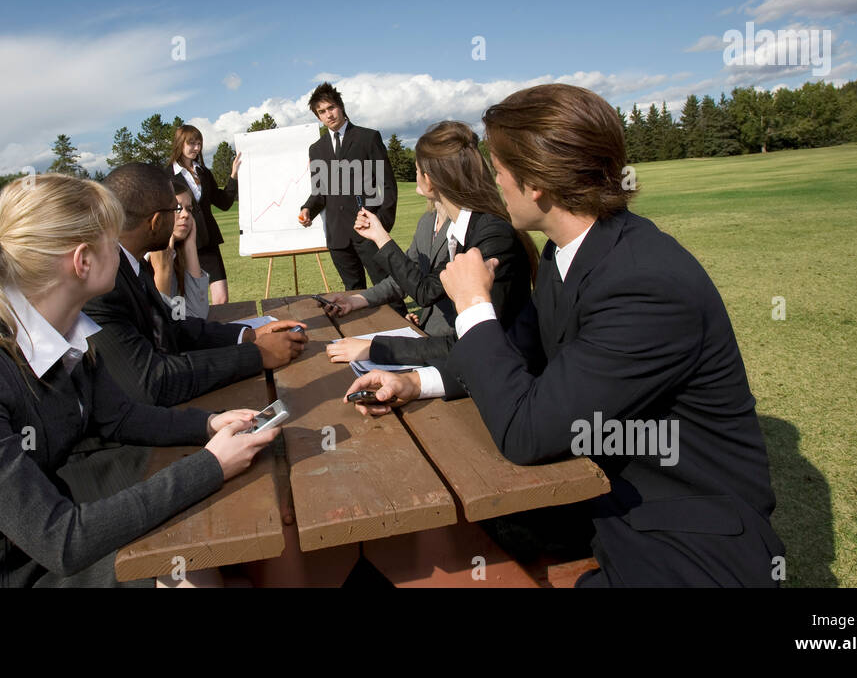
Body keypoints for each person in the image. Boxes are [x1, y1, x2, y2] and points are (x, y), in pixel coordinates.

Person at [349, 84, 785, 587]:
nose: (493, 182)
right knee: (405, 551)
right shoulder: (566, 254)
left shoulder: (645, 282)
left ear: (535, 183)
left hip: (682, 539)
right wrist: (415, 383)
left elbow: (526, 433)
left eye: (498, 168)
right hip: (595, 498)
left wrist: (472, 305)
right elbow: (518, 357)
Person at [0, 173, 278, 588]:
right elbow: (61, 540)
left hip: (33, 554)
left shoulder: (69, 334)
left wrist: (209, 424)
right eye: (113, 239)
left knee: (206, 561)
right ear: (82, 260)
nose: (123, 249)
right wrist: (211, 465)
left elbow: (121, 417)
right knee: (191, 573)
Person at [322, 120, 535, 378]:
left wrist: (375, 348)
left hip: (485, 370)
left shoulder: (487, 235)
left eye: (416, 170)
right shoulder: (443, 225)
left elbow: (426, 293)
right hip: (441, 346)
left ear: (430, 180)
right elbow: (409, 278)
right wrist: (357, 300)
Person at [84, 163, 307, 407]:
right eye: (175, 209)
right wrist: (256, 355)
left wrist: (249, 334)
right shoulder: (101, 285)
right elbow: (152, 382)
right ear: (156, 222)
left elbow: (173, 327)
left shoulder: (127, 261)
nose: (184, 216)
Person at [297, 82, 398, 295]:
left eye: (331, 107)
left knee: (386, 289)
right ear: (318, 117)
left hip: (368, 230)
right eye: (322, 112)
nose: (328, 115)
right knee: (352, 293)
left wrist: (383, 224)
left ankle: (402, 325)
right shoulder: (316, 149)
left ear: (341, 107)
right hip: (337, 236)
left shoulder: (368, 138)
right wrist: (308, 209)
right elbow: (319, 191)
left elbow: (386, 185)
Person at [169, 124, 241, 305]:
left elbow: (223, 203)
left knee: (222, 298)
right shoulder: (166, 176)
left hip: (208, 242)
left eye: (199, 143)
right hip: (181, 244)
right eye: (191, 143)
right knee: (187, 300)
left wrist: (233, 177)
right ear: (180, 144)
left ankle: (219, 332)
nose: (196, 148)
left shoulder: (204, 172)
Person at [147, 174, 210, 320]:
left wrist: (190, 246)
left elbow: (196, 315)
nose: (186, 215)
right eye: (178, 209)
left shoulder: (175, 255)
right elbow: (161, 327)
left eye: (189, 209)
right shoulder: (144, 261)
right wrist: (163, 271)